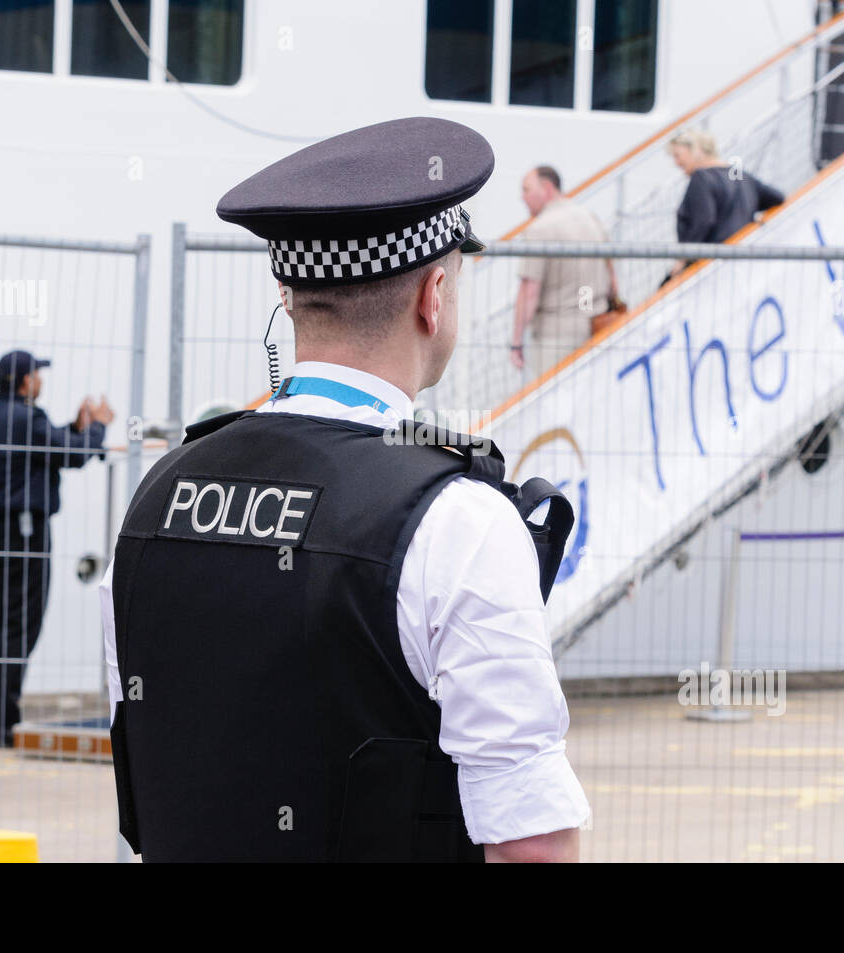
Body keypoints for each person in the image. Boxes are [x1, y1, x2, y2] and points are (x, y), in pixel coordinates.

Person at [101, 117, 590, 863]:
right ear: (434, 296)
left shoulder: (155, 500)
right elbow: (534, 846)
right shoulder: (458, 522)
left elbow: (153, 774)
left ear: (288, 294)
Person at [0, 350, 112, 747]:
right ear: (23, 381)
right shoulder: (27, 418)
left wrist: (75, 426)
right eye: (36, 374)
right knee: (22, 623)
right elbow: (70, 454)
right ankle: (1, 723)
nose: (41, 380)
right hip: (26, 532)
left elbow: (45, 449)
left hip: (1, 531)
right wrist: (98, 428)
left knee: (5, 623)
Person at [511, 165, 619, 380]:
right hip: (595, 325)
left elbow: (529, 291)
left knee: (553, 406)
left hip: (555, 337)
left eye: (526, 189)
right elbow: (611, 275)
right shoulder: (590, 218)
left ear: (547, 188)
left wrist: (516, 341)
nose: (522, 197)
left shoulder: (539, 229)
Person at [666, 128, 785, 281]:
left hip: (710, 268)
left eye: (678, 156)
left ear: (696, 151)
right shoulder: (740, 176)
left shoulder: (702, 177)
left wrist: (682, 259)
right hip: (741, 262)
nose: (676, 163)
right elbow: (778, 198)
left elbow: (704, 220)